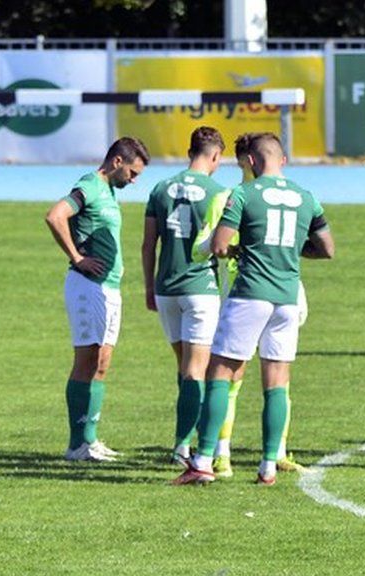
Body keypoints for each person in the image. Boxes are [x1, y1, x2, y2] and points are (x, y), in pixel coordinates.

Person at [174, 132, 334, 486]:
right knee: (276, 382)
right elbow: (327, 249)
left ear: (250, 162)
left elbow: (218, 245)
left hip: (250, 294)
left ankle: (202, 461)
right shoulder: (307, 197)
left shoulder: (244, 194)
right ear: (283, 161)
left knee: (221, 373)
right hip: (287, 298)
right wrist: (292, 251)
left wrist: (239, 250)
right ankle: (268, 466)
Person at [45, 136, 150, 462]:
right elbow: (55, 215)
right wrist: (77, 257)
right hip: (88, 285)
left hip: (109, 286)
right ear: (117, 162)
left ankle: (90, 440)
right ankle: (77, 445)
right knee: (87, 360)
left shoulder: (110, 192)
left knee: (102, 363)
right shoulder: (90, 185)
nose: (133, 181)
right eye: (132, 173)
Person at [141, 126, 226, 466]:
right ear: (215, 155)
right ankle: (185, 448)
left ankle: (188, 441)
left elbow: (149, 244)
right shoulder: (219, 192)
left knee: (184, 368)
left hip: (166, 289)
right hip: (199, 290)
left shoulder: (160, 188)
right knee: (196, 371)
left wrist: (149, 286)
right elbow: (222, 246)